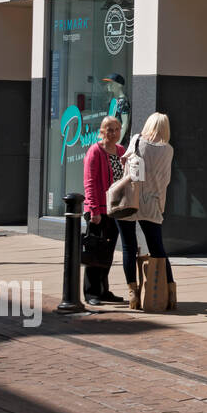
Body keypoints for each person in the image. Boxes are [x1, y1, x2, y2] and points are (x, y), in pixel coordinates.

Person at [117, 112, 177, 311]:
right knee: (158, 248)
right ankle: (170, 294)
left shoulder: (136, 141)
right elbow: (166, 180)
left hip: (130, 201)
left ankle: (133, 294)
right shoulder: (168, 150)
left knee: (128, 247)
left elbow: (125, 167)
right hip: (152, 204)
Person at [82, 115, 126, 304]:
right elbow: (89, 182)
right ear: (102, 131)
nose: (113, 133)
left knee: (107, 253)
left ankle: (103, 290)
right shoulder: (95, 151)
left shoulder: (121, 150)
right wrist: (93, 211)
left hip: (115, 209)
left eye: (116, 129)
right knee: (95, 254)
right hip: (98, 210)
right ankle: (91, 293)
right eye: (109, 129)